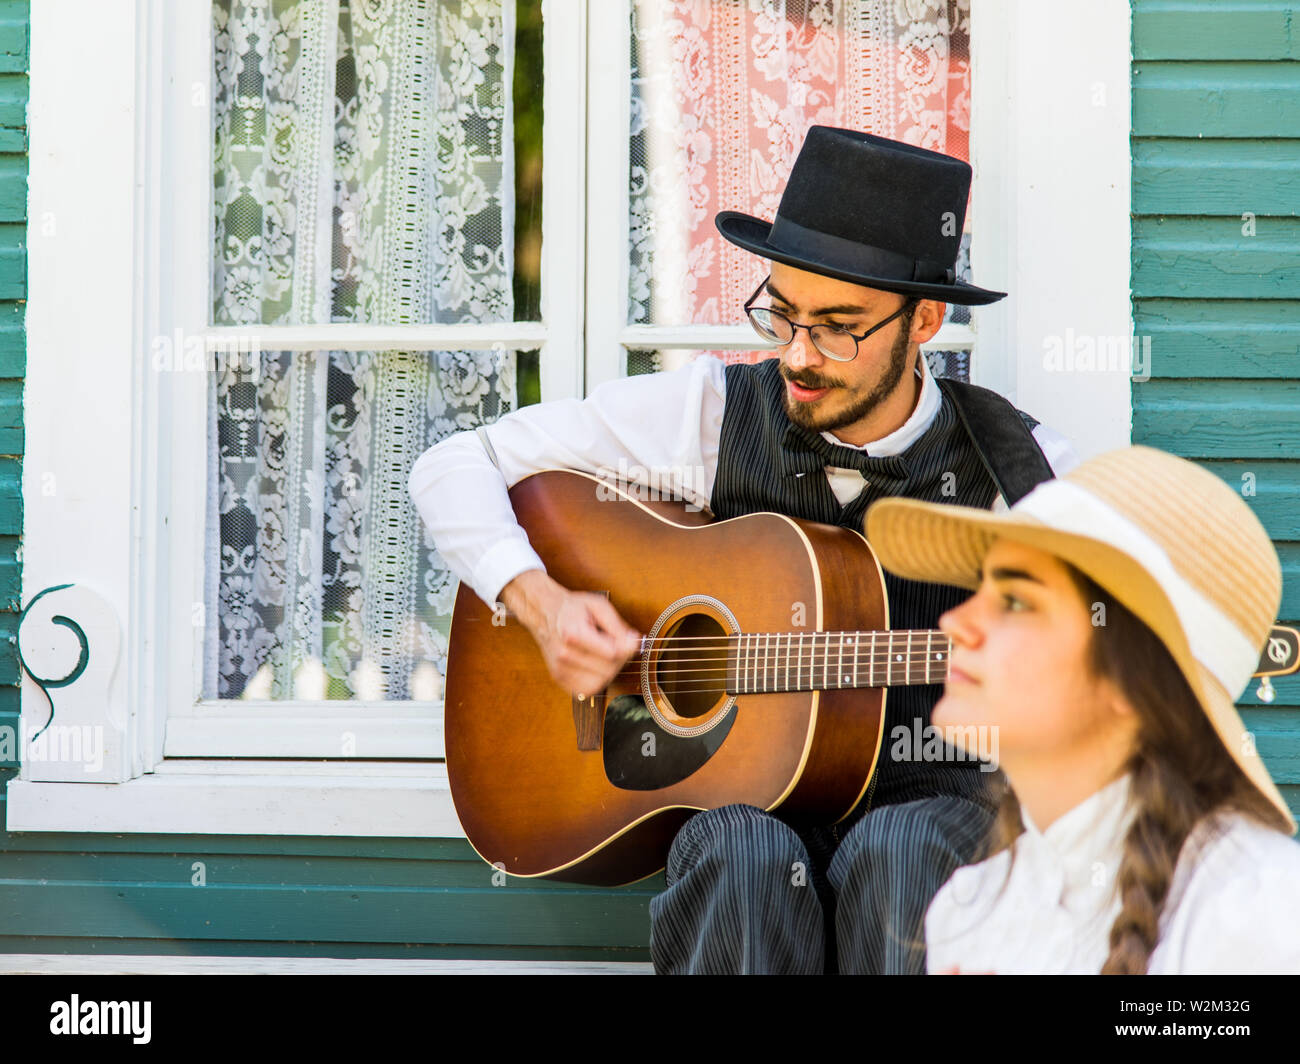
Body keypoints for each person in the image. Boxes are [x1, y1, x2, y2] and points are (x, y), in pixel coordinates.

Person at [408, 126, 1079, 973]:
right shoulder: (715, 412)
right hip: (752, 802)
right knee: (738, 854)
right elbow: (454, 464)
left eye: (839, 328)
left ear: (927, 320)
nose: (798, 355)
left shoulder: (1022, 470)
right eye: (784, 314)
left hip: (934, 801)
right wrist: (541, 603)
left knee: (899, 854)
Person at [864, 445, 1300, 974]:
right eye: (979, 588)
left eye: (1017, 601)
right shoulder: (967, 910)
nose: (956, 622)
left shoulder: (1262, 913)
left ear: (1132, 680)